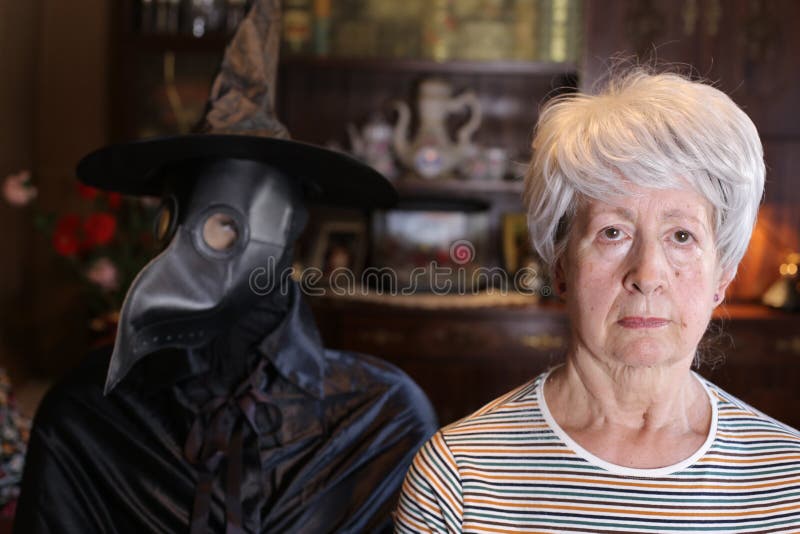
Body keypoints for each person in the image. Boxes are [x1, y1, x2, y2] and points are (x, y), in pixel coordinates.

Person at [15, 2, 436, 533]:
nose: (188, 250)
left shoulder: (379, 419)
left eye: (222, 225)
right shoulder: (90, 417)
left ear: (283, 232)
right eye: (177, 221)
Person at [394, 69, 800, 532]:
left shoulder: (789, 481)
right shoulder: (458, 479)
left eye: (682, 236)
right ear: (561, 268)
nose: (647, 275)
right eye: (613, 232)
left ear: (722, 276)